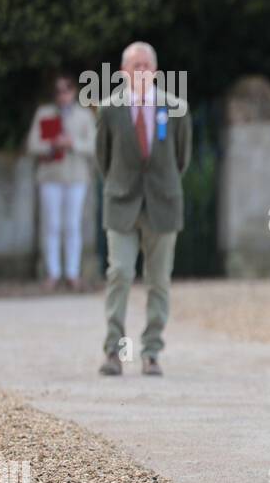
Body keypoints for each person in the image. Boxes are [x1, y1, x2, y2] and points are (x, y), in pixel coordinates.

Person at [95, 41, 192, 376]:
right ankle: (113, 351)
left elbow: (181, 159)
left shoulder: (176, 108)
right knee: (119, 273)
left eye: (146, 65)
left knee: (158, 281)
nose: (140, 71)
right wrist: (120, 185)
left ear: (156, 72)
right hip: (120, 202)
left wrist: (159, 187)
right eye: (134, 66)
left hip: (163, 204)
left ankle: (151, 352)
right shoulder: (108, 109)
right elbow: (102, 159)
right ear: (122, 73)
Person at [25, 72, 97, 291]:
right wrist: (51, 145)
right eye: (58, 91)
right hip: (50, 176)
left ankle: (73, 273)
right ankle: (53, 273)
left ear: (73, 92)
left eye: (66, 90)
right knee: (52, 226)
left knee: (72, 225)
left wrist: (71, 143)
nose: (62, 95)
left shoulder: (84, 116)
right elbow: (32, 145)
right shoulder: (44, 113)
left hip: (76, 177)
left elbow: (94, 146)